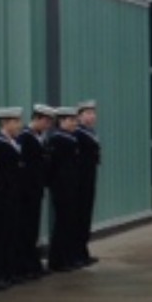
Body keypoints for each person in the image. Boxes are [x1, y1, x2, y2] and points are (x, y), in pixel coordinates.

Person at [16, 105, 54, 278]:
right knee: (25, 228)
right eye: (46, 121)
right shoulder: (25, 137)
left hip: (36, 189)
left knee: (33, 228)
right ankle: (25, 265)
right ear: (37, 118)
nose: (48, 125)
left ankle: (33, 263)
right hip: (27, 190)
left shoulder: (40, 137)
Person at [46, 107, 84, 272]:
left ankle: (67, 257)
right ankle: (58, 260)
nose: (74, 123)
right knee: (63, 222)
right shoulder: (59, 139)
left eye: (75, 120)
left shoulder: (70, 138)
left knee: (69, 222)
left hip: (70, 185)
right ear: (61, 121)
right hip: (62, 186)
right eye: (71, 120)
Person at [0, 108, 26, 287]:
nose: (19, 125)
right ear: (5, 123)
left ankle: (10, 271)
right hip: (4, 195)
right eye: (15, 121)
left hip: (14, 193)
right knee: (3, 235)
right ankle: (1, 272)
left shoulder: (14, 141)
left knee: (13, 233)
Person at [76, 100, 102, 266]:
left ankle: (83, 250)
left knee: (86, 216)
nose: (91, 116)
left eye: (93, 113)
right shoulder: (79, 134)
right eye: (87, 113)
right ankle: (77, 252)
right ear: (79, 116)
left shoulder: (91, 132)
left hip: (90, 178)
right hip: (81, 180)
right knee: (79, 216)